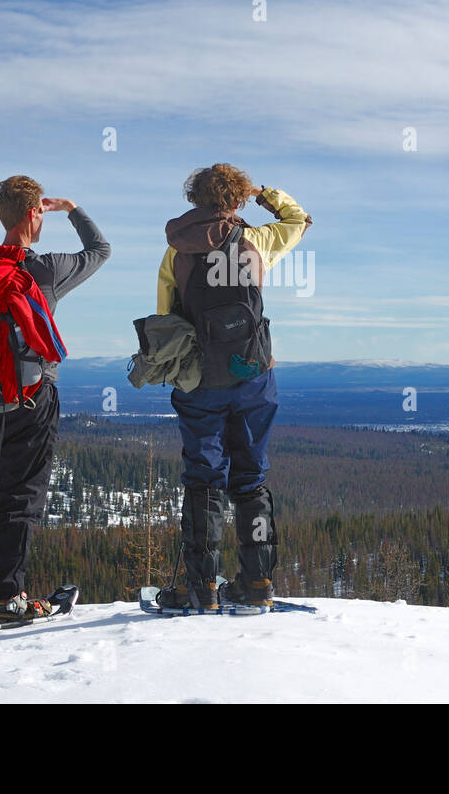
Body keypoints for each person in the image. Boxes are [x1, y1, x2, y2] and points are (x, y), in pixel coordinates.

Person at [0, 175, 109, 621]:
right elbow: (99, 250)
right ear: (35, 214)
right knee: (19, 498)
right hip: (30, 398)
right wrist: (71, 209)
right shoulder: (42, 269)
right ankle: (0, 596)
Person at [154, 164, 310, 609]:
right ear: (236, 200)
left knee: (203, 478)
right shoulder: (255, 240)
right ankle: (256, 583)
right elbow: (298, 220)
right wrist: (264, 193)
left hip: (198, 378)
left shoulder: (176, 251)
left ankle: (201, 587)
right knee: (250, 476)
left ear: (194, 199)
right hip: (253, 375)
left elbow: (167, 317)